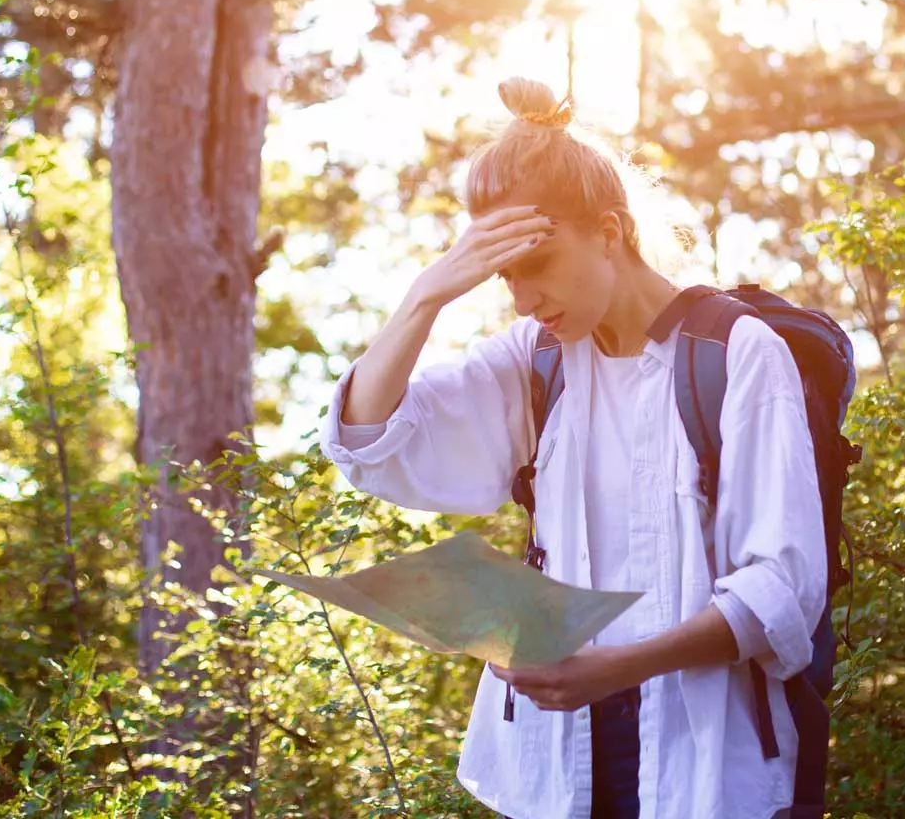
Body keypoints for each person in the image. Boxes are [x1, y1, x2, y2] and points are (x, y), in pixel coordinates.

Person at [321, 77, 825, 819]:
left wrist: (619, 668)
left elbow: (782, 590)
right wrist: (426, 296)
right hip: (557, 762)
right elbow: (372, 443)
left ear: (610, 232)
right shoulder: (537, 359)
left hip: (703, 759)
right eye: (503, 274)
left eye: (537, 264)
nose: (522, 300)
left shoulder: (736, 353)